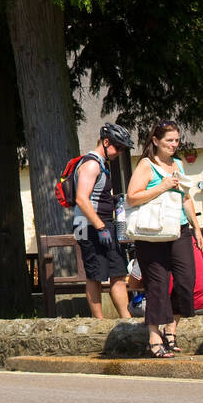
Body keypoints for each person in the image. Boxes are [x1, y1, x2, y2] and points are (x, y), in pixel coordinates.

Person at [124, 120, 203, 357]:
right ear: (156, 141)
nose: (174, 144)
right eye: (169, 140)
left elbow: (186, 198)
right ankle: (154, 338)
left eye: (177, 140)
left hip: (178, 229)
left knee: (185, 280)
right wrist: (163, 186)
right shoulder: (147, 166)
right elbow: (132, 197)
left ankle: (171, 328)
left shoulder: (178, 164)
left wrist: (197, 229)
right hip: (152, 233)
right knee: (157, 284)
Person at [73, 122, 134, 319]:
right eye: (118, 147)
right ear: (106, 142)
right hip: (89, 226)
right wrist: (100, 227)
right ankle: (98, 323)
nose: (119, 152)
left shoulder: (102, 164)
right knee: (95, 274)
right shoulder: (91, 164)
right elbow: (81, 199)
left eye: (123, 149)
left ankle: (126, 319)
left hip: (105, 224)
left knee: (117, 271)